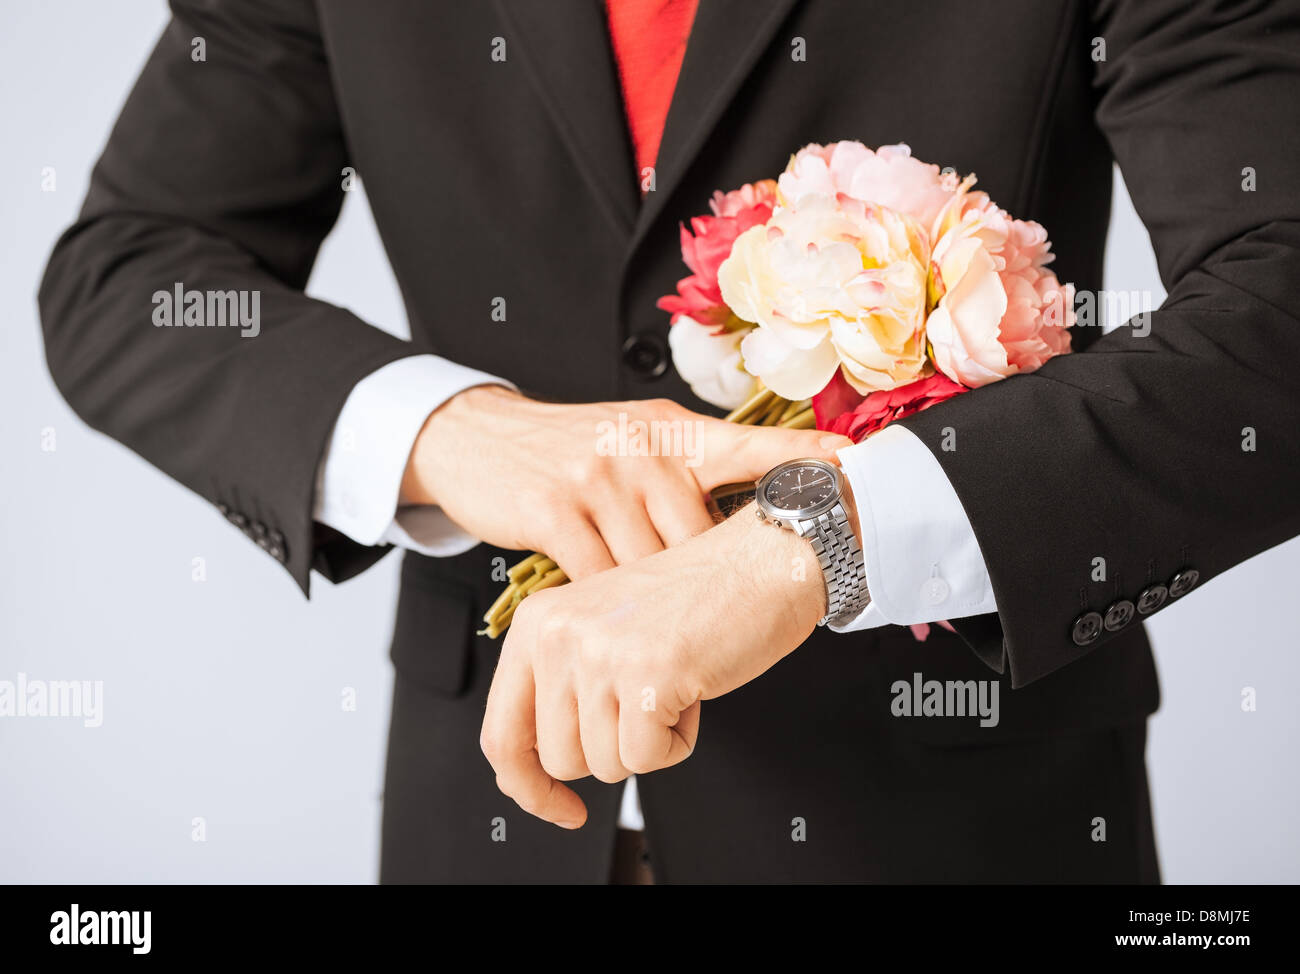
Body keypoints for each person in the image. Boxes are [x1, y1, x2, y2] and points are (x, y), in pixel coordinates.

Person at [39, 0, 1300, 883]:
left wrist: (828, 538)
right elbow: (134, 266)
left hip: (953, 825)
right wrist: (453, 433)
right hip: (486, 822)